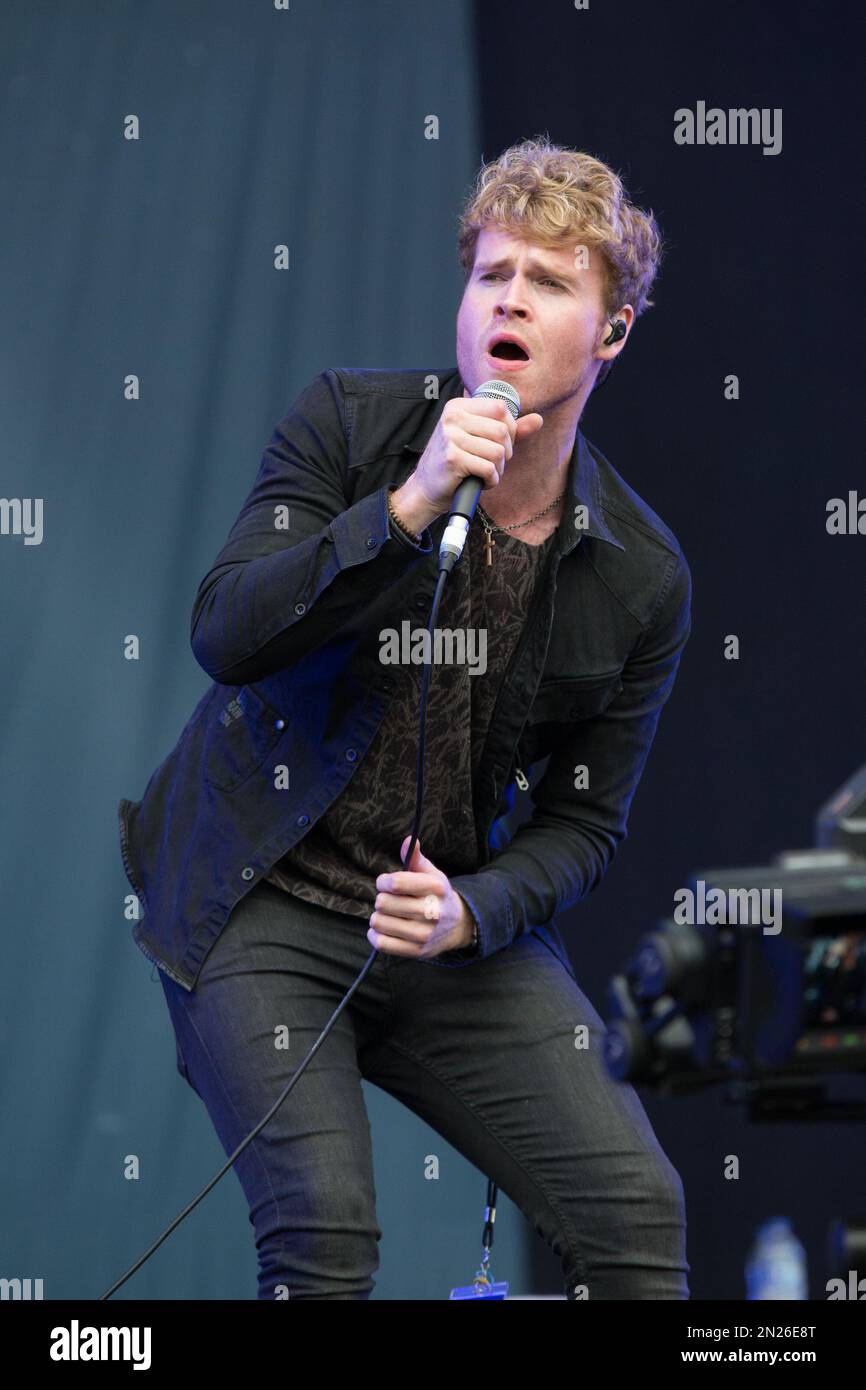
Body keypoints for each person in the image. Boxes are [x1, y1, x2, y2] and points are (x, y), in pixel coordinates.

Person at [118, 135, 692, 1299]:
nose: (509, 301)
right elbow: (226, 630)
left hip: (449, 930)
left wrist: (472, 910)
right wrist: (408, 502)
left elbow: (585, 828)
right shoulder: (348, 426)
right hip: (260, 896)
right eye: (491, 276)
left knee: (637, 1213)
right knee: (325, 1237)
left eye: (548, 280)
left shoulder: (640, 574)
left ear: (613, 331)